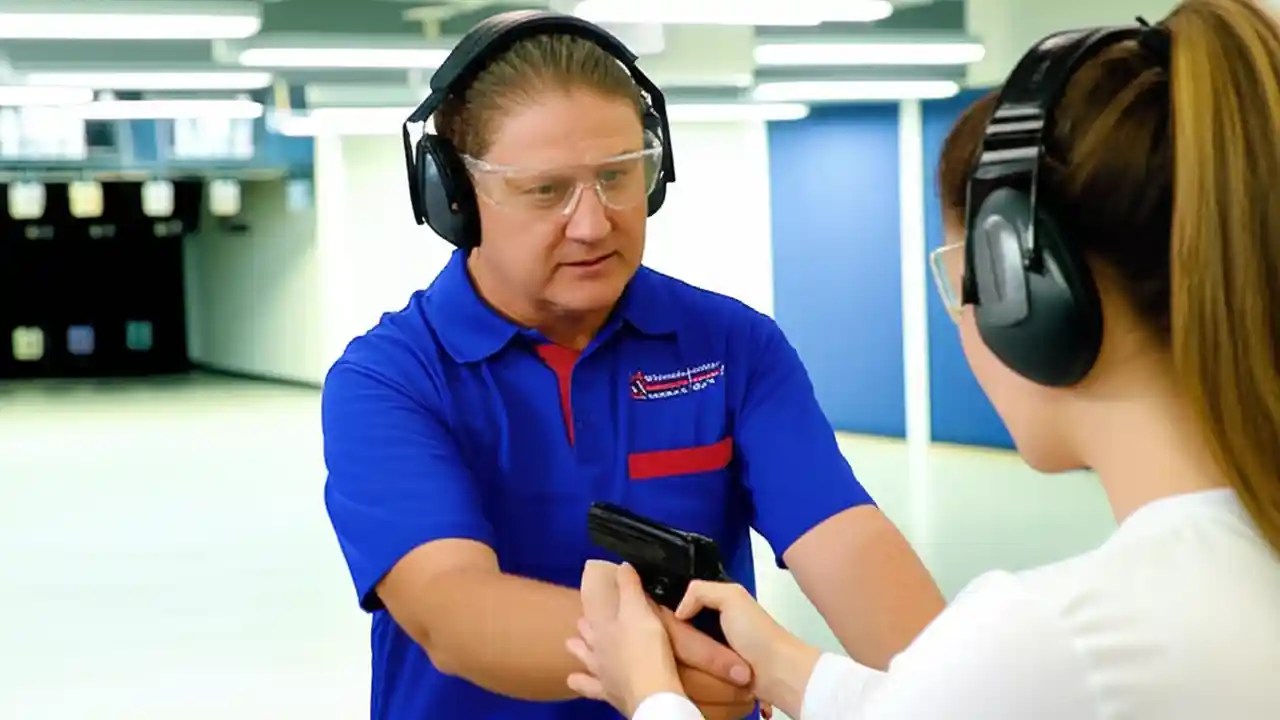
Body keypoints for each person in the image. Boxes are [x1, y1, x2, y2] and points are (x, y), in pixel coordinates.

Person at [564, 1, 1280, 718]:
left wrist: (650, 691)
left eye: (962, 273)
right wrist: (784, 667)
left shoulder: (1051, 640)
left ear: (1020, 293)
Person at [320, 10, 945, 720]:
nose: (592, 223)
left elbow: (843, 539)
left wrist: (958, 686)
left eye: (618, 177)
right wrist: (671, 668)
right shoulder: (390, 379)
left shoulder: (731, 345)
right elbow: (453, 611)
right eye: (546, 191)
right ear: (456, 198)